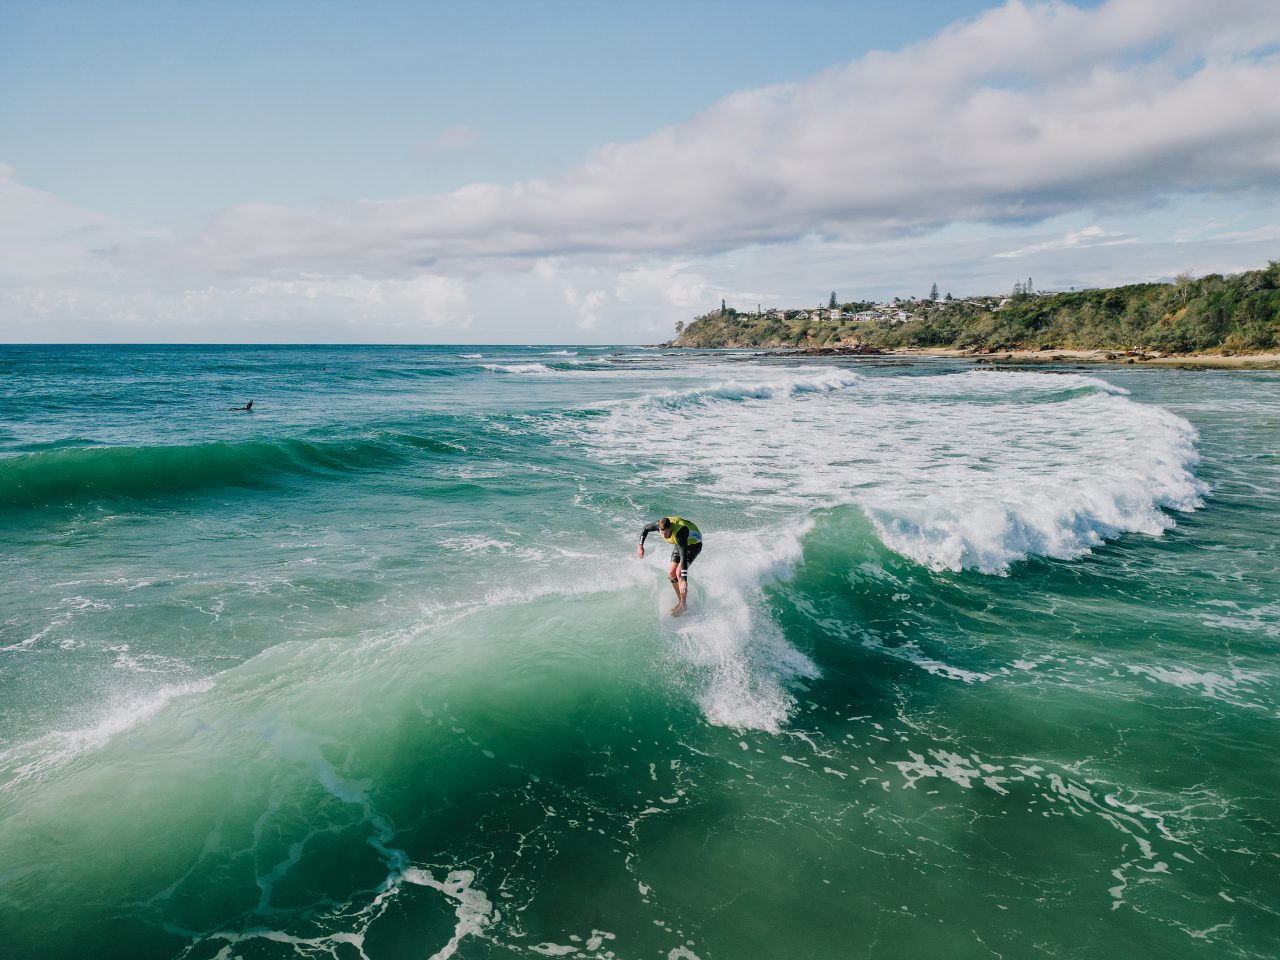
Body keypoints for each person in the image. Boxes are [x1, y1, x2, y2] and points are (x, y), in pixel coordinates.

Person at [637, 516, 703, 616]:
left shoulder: (680, 533)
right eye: (662, 533)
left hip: (693, 544)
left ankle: (683, 605)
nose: (665, 535)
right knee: (671, 573)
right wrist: (640, 546)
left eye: (667, 533)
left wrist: (684, 580)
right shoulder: (660, 524)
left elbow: (683, 556)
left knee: (679, 573)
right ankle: (681, 601)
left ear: (671, 528)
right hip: (680, 543)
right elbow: (645, 528)